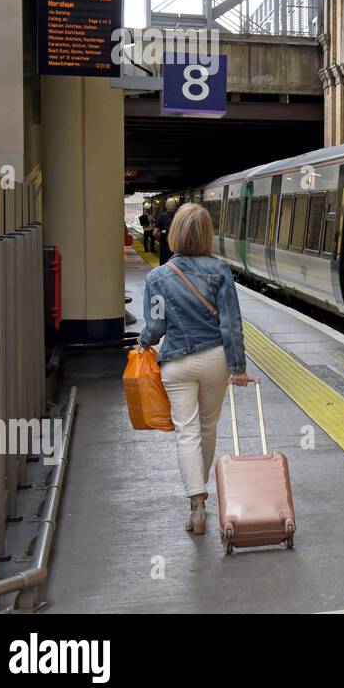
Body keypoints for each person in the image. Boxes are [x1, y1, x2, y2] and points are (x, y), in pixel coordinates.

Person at [138, 203, 249, 534]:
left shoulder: (157, 278)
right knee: (207, 428)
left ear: (173, 233)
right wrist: (238, 367)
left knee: (186, 432)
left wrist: (143, 341)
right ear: (207, 235)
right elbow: (231, 324)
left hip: (177, 363)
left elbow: (155, 327)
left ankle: (196, 505)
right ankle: (201, 493)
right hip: (215, 359)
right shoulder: (220, 272)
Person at [155, 197, 178, 264]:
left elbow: (154, 233)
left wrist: (160, 238)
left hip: (164, 246)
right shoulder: (179, 216)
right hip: (176, 246)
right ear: (175, 206)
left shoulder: (161, 217)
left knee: (164, 263)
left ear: (166, 206)